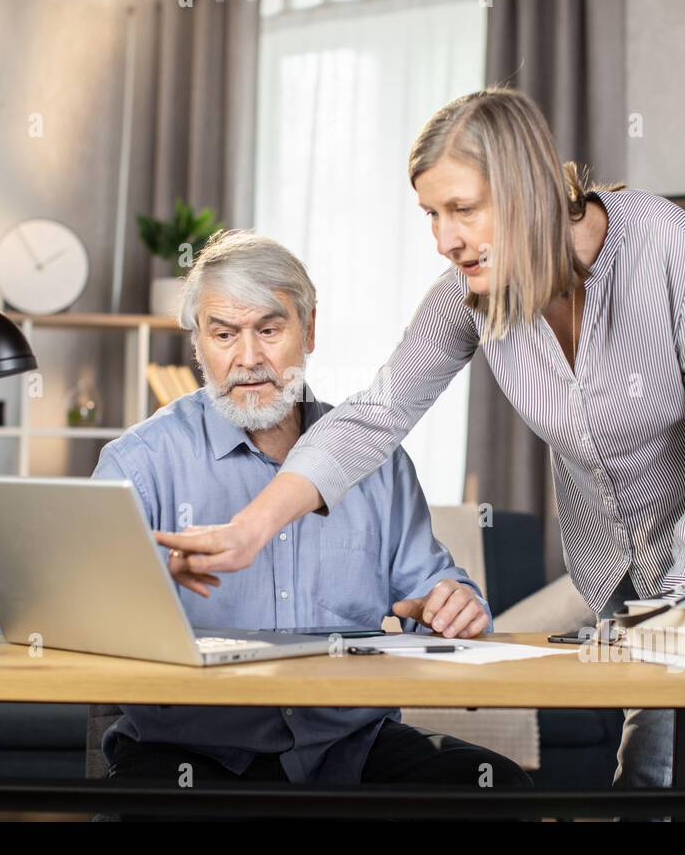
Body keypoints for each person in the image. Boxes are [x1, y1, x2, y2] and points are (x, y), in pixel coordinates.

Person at [156, 87, 685, 793]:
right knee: (654, 724)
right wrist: (252, 528)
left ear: (525, 190)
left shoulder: (668, 246)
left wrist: (684, 612)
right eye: (431, 215)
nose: (444, 238)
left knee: (662, 734)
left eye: (462, 209)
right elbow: (376, 415)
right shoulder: (468, 294)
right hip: (620, 534)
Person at [91, 228, 531, 792]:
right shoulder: (141, 462)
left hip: (349, 746)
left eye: (269, 330)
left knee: (495, 788)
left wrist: (453, 605)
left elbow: (436, 592)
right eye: (223, 334)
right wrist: (148, 587)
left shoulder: (377, 459)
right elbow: (90, 625)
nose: (248, 359)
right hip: (192, 752)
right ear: (196, 343)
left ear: (310, 330)